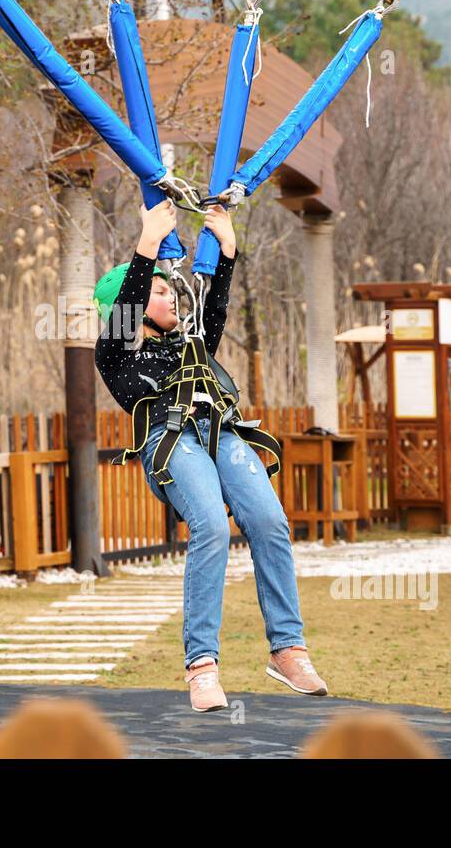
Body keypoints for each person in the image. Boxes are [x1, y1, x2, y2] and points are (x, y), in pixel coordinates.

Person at [92, 198, 328, 712]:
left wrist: (226, 251)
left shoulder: (190, 343)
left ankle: (287, 648)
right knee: (213, 529)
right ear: (128, 307)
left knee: (269, 520)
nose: (170, 294)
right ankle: (202, 665)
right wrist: (147, 245)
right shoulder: (116, 351)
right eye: (159, 289)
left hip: (221, 433)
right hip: (170, 440)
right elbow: (129, 301)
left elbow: (213, 309)